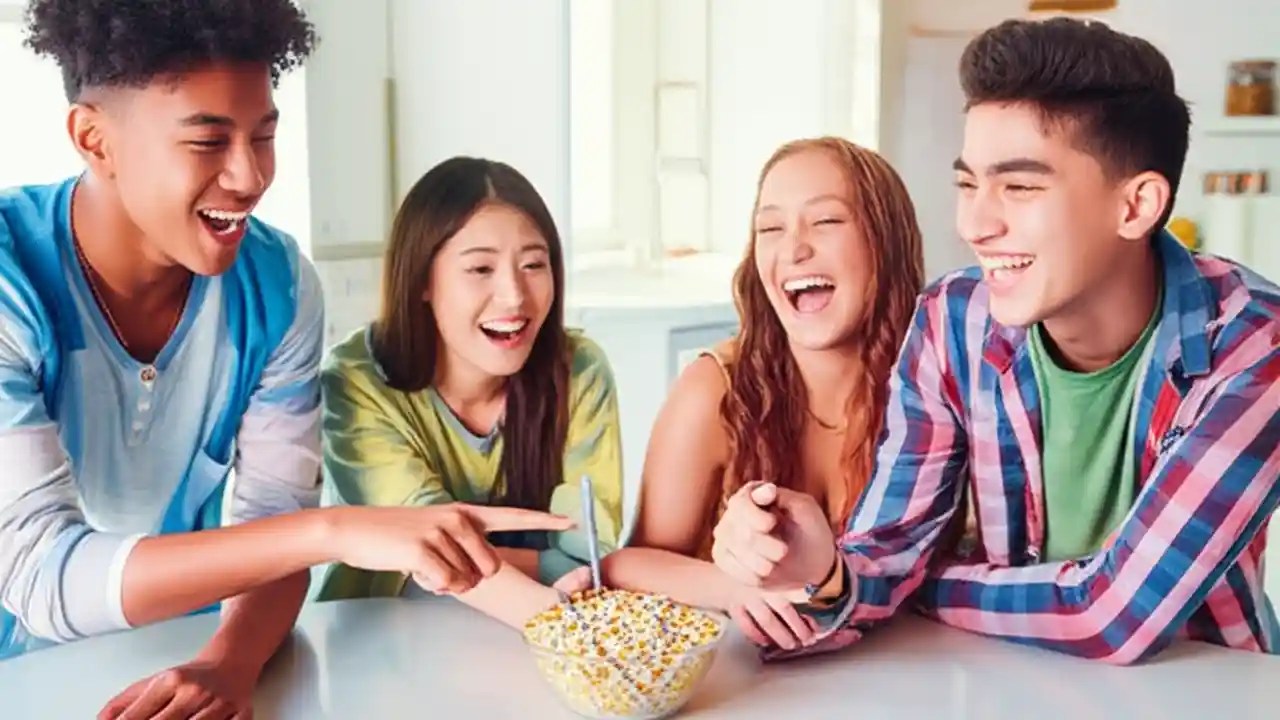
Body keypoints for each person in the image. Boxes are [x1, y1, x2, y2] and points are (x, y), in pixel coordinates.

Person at [0, 1, 571, 716]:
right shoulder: (10, 280)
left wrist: (229, 661)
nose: (249, 176)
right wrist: (333, 531)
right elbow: (41, 577)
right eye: (208, 142)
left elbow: (272, 519)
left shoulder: (277, 286)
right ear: (95, 139)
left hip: (171, 653)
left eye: (263, 135)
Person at [711, 17, 1280, 665]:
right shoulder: (954, 318)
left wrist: (915, 585)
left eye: (1019, 186)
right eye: (967, 183)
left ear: (1136, 206)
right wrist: (821, 568)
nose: (974, 223)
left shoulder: (1254, 345)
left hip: (1208, 690)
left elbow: (1111, 614)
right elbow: (889, 547)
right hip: (1011, 677)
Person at [564, 137, 923, 658]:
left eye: (825, 222)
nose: (793, 249)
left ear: (885, 242)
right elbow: (628, 565)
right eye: (770, 229)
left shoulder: (934, 395)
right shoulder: (713, 392)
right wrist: (734, 590)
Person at [315, 156, 624, 630]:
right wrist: (558, 604)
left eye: (534, 264)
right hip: (382, 636)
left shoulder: (578, 370)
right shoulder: (357, 379)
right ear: (422, 280)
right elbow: (428, 545)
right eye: (481, 268)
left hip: (524, 639)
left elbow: (592, 552)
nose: (515, 296)